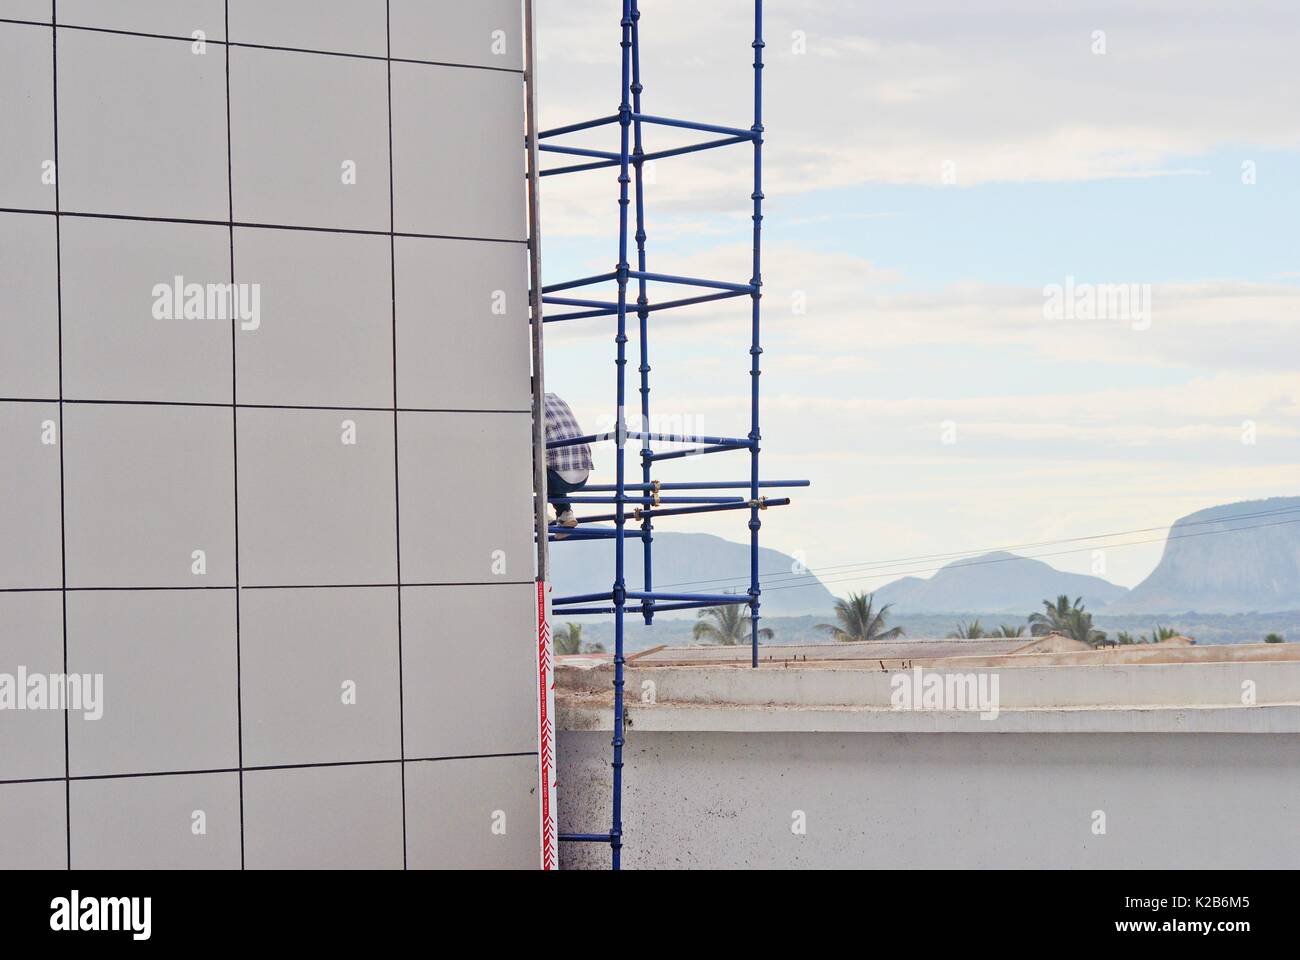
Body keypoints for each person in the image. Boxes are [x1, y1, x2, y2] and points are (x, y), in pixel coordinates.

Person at [544, 392, 592, 534]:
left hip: (557, 478)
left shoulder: (530, 405)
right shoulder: (555, 399)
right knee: (551, 465)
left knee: (517, 463)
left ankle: (536, 512)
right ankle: (565, 513)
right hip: (583, 473)